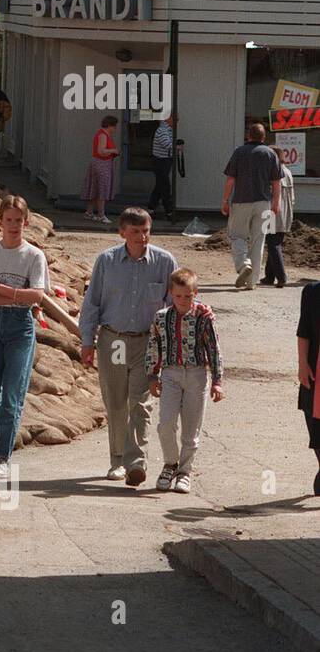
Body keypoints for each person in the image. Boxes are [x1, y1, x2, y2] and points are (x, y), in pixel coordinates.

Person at [78, 207, 177, 486]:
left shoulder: (165, 262)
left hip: (148, 341)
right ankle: (117, 460)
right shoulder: (107, 261)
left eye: (146, 230)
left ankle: (137, 462)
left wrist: (169, 346)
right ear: (122, 232)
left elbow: (174, 305)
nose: (142, 237)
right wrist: (88, 341)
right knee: (116, 400)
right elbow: (92, 303)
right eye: (135, 232)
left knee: (141, 402)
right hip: (115, 340)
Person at [0, 195, 50, 471]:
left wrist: (2, 290)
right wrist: (14, 297)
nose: (14, 225)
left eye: (19, 220)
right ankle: (5, 431)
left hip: (21, 327)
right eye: (9, 220)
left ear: (26, 222)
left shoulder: (34, 256)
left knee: (13, 394)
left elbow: (37, 296)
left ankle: (2, 456)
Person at [145, 268, 226, 494]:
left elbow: (214, 349)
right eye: (178, 296)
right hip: (170, 374)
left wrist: (218, 380)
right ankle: (170, 463)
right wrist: (152, 375)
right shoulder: (161, 317)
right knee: (165, 424)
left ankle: (185, 472)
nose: (183, 301)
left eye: (188, 296)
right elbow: (154, 346)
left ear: (195, 293)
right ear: (171, 293)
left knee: (191, 430)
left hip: (197, 375)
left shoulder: (203, 317)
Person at [222, 123, 283, 290]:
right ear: (263, 138)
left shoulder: (239, 152)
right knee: (258, 240)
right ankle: (252, 282)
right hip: (264, 203)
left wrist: (225, 201)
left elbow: (230, 180)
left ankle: (243, 265)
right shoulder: (271, 154)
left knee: (236, 235)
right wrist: (276, 204)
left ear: (248, 136)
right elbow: (277, 182)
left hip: (241, 201)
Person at [294, 281, 320, 496]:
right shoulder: (312, 292)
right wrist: (302, 363)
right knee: (314, 422)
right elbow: (304, 331)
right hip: (316, 370)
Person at [263, 145, 295, 288]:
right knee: (275, 242)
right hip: (286, 213)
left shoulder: (273, 172)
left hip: (273, 212)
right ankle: (269, 276)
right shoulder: (287, 172)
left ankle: (281, 276)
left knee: (273, 244)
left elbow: (270, 193)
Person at [82, 115, 121, 223]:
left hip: (101, 163)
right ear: (110, 125)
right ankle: (101, 215)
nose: (115, 129)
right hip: (101, 164)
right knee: (102, 189)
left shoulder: (104, 134)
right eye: (114, 126)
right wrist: (114, 150)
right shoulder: (103, 135)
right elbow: (101, 151)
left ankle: (89, 212)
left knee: (95, 188)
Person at [148, 112, 177, 222]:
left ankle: (151, 209)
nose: (177, 121)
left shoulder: (167, 130)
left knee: (160, 187)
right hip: (161, 162)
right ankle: (169, 212)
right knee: (165, 187)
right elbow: (168, 145)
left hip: (164, 161)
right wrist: (177, 146)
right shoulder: (163, 131)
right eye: (175, 118)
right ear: (168, 119)